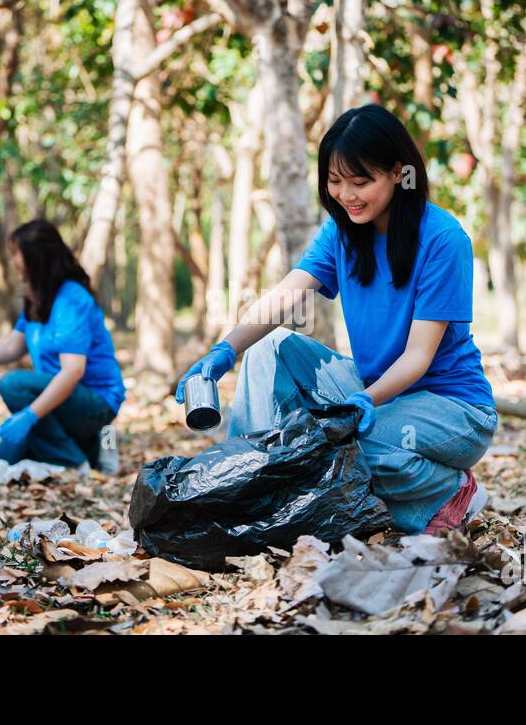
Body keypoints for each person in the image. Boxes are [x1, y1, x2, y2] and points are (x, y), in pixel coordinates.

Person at [175, 104, 498, 536]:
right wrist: (224, 350)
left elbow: (419, 357)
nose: (347, 195)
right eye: (335, 181)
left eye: (361, 181)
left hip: (453, 406)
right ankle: (245, 480)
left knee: (338, 449)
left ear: (400, 174)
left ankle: (447, 490)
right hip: (373, 390)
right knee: (269, 349)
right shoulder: (343, 230)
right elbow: (285, 297)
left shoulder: (443, 239)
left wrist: (365, 401)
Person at [0, 218, 125, 471]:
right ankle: (87, 447)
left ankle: (73, 463)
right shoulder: (38, 298)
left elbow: (73, 370)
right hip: (58, 399)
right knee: (0, 462)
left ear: (35, 257)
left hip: (95, 402)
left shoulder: (71, 298)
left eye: (16, 254)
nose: (13, 263)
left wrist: (30, 415)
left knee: (13, 384)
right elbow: (10, 349)